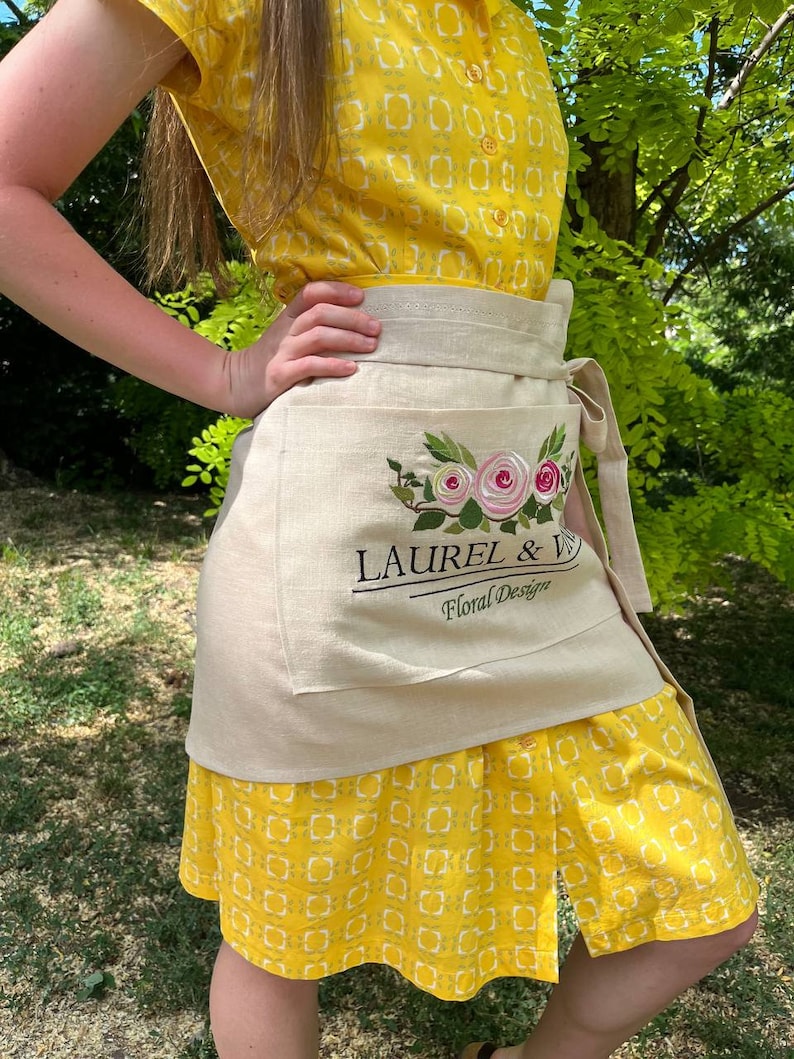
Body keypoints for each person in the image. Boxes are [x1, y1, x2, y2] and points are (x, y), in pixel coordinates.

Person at [0, 2, 758, 1058]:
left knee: (704, 909)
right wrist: (219, 375)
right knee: (278, 938)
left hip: (530, 531)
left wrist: (576, 529)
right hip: (332, 555)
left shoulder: (508, 27)